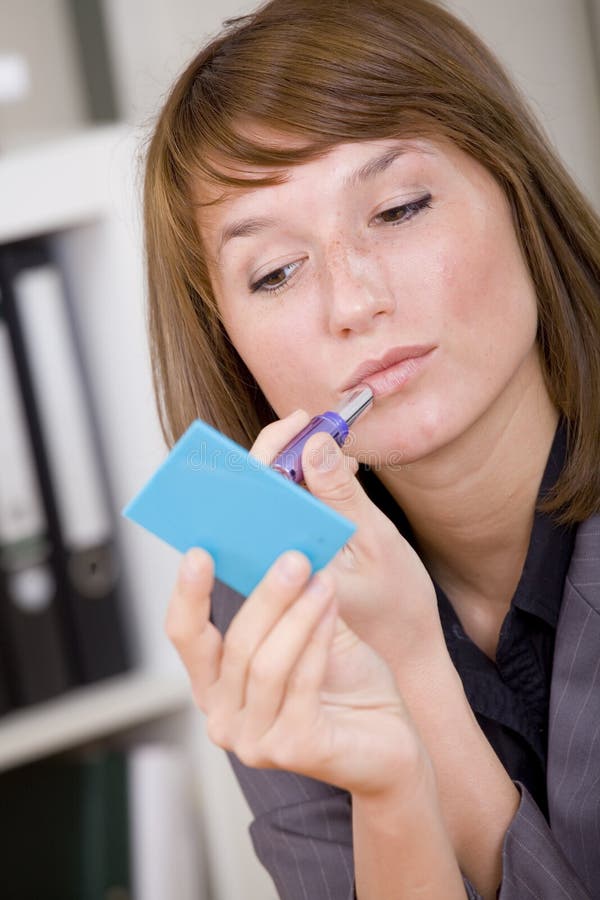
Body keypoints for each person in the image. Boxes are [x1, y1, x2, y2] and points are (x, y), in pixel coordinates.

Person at [142, 0, 600, 896]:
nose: (353, 301)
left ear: (518, 190)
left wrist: (417, 668)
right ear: (227, 336)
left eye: (397, 208)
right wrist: (390, 789)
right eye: (275, 271)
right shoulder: (276, 595)